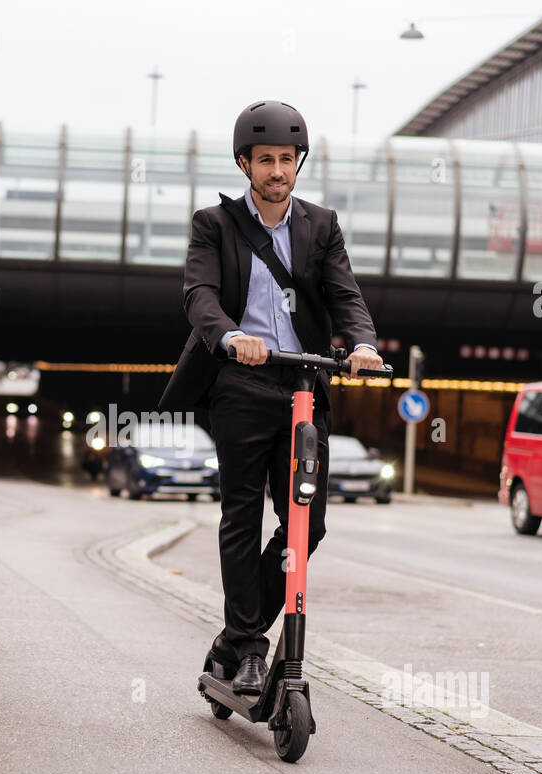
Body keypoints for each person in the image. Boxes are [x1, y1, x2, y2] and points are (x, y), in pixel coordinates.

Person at [157, 100, 383, 697]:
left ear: (298, 162)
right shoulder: (216, 224)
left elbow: (346, 296)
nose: (277, 170)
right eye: (265, 160)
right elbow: (199, 295)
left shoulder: (322, 225)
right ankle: (253, 647)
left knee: (308, 525)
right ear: (244, 163)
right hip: (241, 385)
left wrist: (362, 345)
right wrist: (230, 336)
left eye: (287, 159)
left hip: (303, 387)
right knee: (241, 516)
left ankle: (235, 635)